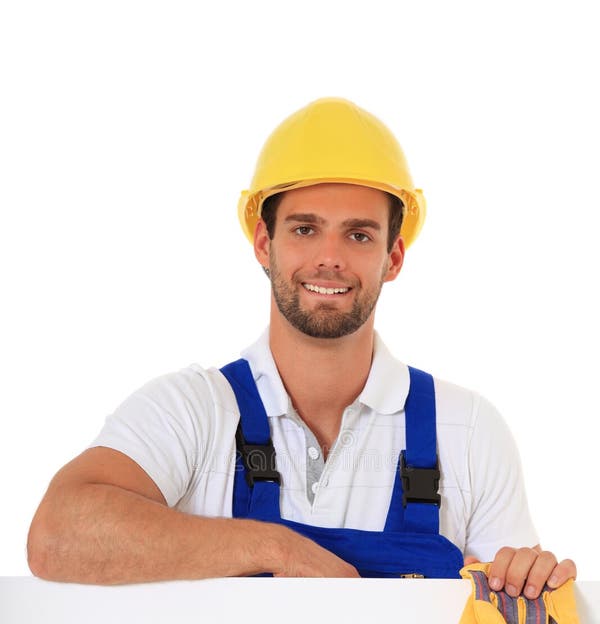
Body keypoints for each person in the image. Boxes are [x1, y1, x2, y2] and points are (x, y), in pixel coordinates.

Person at [27, 97, 576, 598]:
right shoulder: (193, 411)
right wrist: (275, 549)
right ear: (263, 244)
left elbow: (510, 619)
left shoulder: (469, 431)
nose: (329, 257)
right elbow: (57, 535)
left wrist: (528, 581)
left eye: (358, 235)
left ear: (393, 258)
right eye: (305, 229)